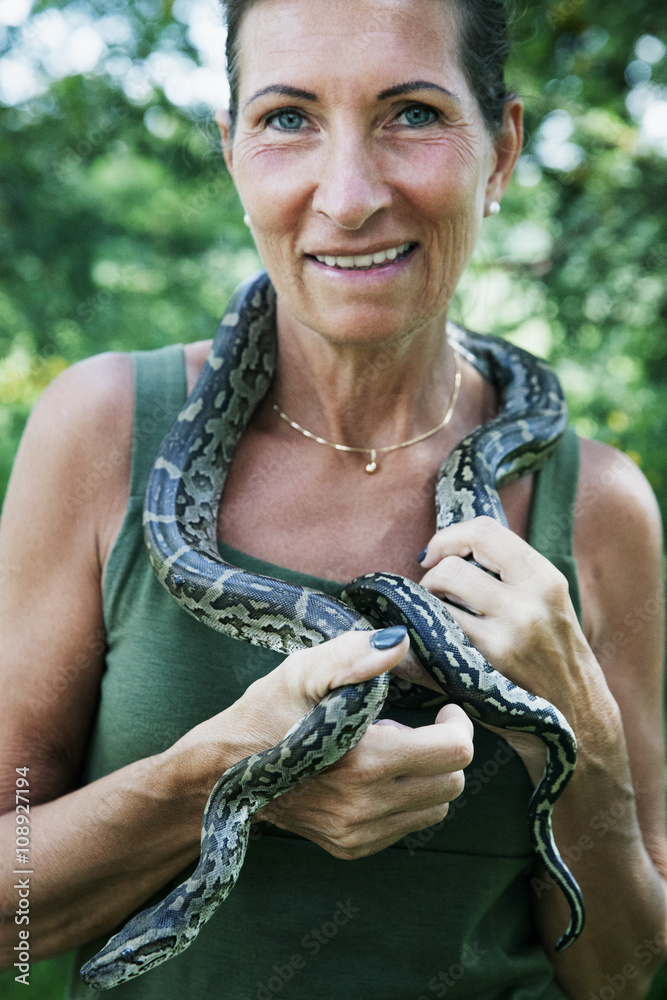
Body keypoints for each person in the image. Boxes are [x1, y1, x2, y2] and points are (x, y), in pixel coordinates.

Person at [1, 0, 665, 997]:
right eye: (286, 117)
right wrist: (232, 777)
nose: (348, 197)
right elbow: (9, 925)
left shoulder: (601, 506)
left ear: (500, 151)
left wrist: (584, 729)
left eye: (411, 113)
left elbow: (618, 975)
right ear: (231, 153)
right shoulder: (98, 433)